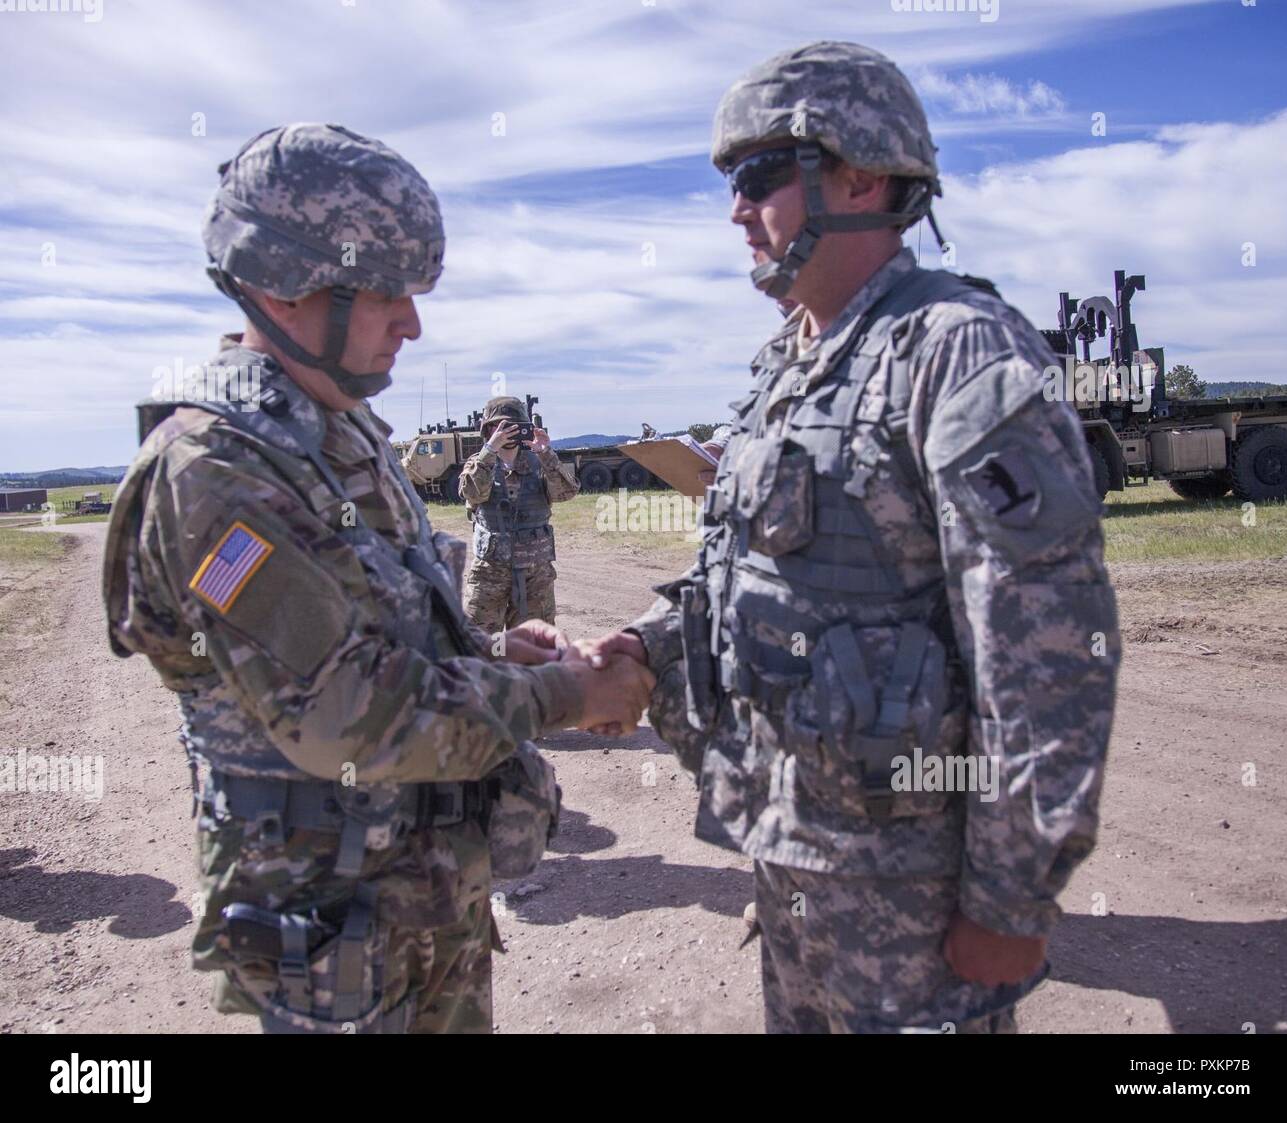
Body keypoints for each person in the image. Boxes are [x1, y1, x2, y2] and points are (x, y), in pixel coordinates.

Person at [570, 41, 1120, 1033]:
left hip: (909, 901)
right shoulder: (787, 368)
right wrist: (643, 649)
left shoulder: (956, 350)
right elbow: (738, 571)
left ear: (860, 174)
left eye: (756, 176)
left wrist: (1010, 899)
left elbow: (1047, 654)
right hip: (791, 866)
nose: (736, 210)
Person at [102, 123, 652, 1034]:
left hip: (426, 908)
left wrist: (492, 649)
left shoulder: (343, 430)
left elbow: (379, 621)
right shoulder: (212, 470)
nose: (413, 321)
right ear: (284, 282)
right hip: (333, 941)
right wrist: (562, 691)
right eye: (388, 290)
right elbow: (347, 709)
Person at [460, 397, 579, 631]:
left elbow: (566, 493)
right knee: (478, 643)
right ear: (488, 430)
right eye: (500, 426)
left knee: (535, 648)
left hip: (535, 574)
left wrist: (546, 453)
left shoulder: (540, 462)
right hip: (489, 573)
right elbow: (472, 493)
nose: (507, 431)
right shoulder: (479, 463)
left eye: (514, 426)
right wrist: (489, 451)